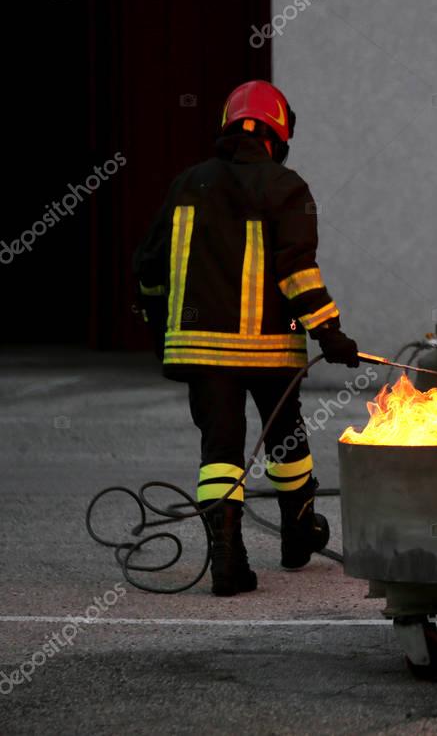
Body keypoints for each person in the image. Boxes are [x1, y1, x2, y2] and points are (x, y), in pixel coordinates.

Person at [133, 80, 361, 596]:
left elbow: (148, 269)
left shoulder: (186, 184)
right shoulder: (286, 187)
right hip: (269, 350)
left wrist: (161, 329)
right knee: (285, 436)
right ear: (279, 134)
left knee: (220, 448)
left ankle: (228, 562)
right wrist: (331, 333)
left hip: (201, 350)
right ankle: (298, 532)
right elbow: (296, 272)